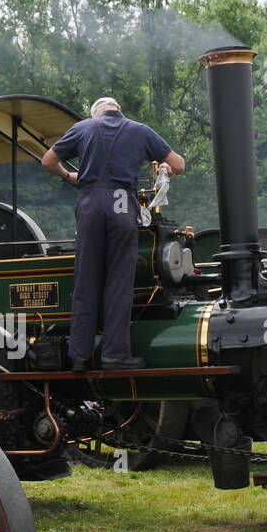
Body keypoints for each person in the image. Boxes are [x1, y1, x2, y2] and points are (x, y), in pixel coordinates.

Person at [41, 97, 185, 371]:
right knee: (119, 283)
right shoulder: (139, 129)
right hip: (122, 206)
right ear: (119, 110)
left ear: (96, 113)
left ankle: (79, 356)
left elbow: (48, 160)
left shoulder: (83, 127)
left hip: (89, 203)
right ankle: (114, 355)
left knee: (85, 279)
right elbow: (178, 164)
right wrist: (165, 167)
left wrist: (70, 177)